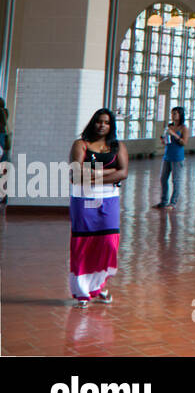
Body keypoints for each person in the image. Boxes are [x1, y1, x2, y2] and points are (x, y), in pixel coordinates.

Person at [69, 109, 128, 306]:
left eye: (107, 122)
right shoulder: (81, 144)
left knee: (108, 243)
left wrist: (93, 175)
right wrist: (110, 171)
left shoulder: (117, 146)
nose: (102, 125)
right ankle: (82, 291)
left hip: (109, 200)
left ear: (111, 126)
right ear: (93, 123)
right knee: (84, 245)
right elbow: (76, 175)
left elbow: (123, 173)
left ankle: (97, 286)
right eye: (99, 122)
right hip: (84, 200)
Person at [154, 106, 187, 209]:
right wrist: (164, 140)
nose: (172, 116)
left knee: (176, 180)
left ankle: (173, 203)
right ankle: (163, 201)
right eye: (172, 113)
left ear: (180, 115)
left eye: (175, 114)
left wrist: (175, 135)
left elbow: (183, 143)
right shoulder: (169, 126)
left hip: (177, 157)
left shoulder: (183, 128)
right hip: (167, 156)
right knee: (163, 179)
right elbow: (167, 141)